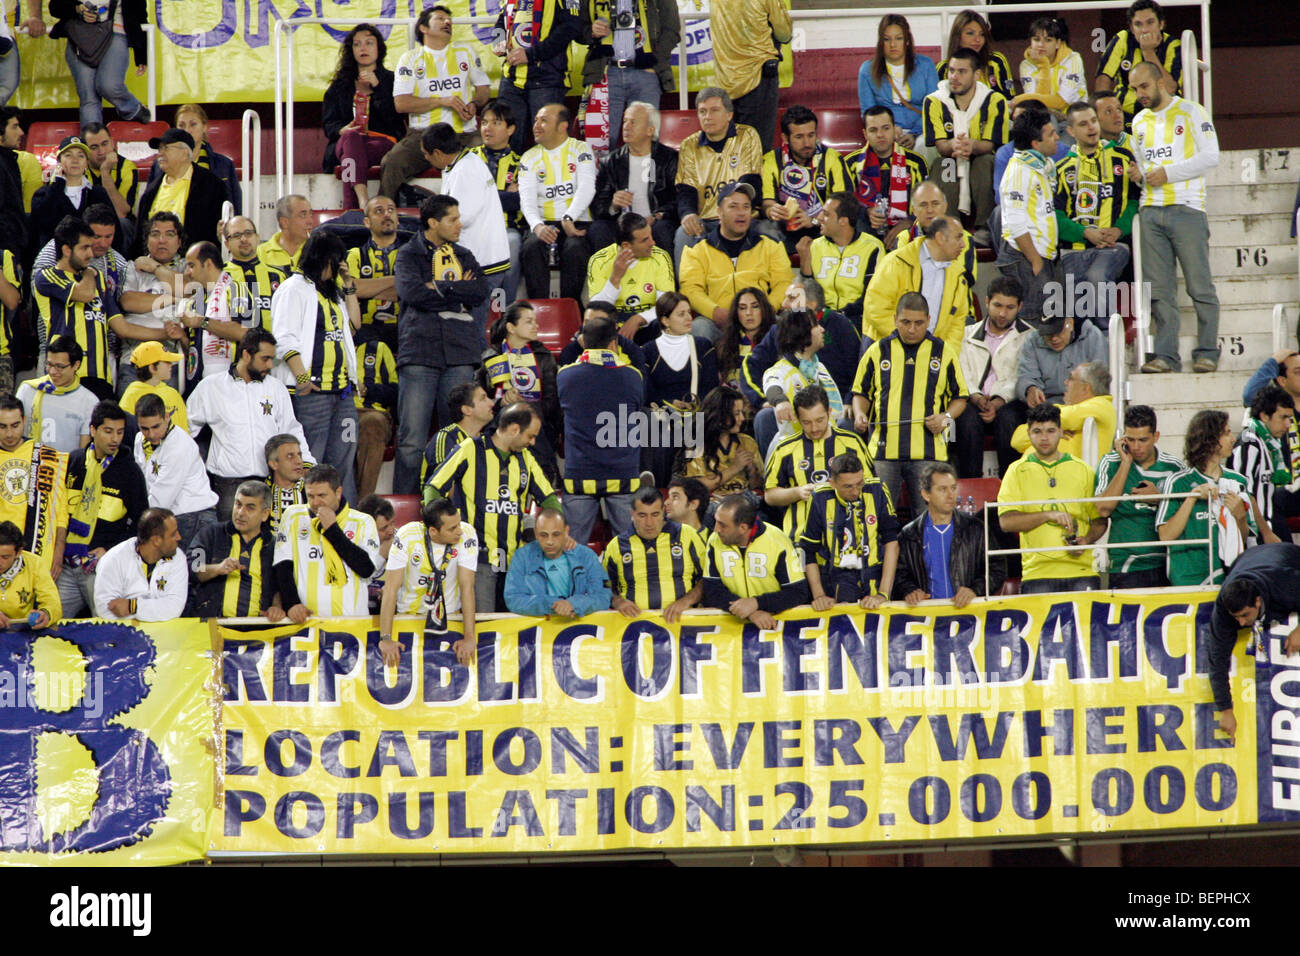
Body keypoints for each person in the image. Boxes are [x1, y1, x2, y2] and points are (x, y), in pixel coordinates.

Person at [392, 193, 488, 495]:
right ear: (433, 223)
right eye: (453, 219)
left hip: (460, 354)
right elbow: (412, 293)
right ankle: (405, 509)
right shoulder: (409, 255)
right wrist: (458, 289)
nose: (460, 224)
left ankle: (456, 504)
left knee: (460, 437)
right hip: (419, 353)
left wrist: (440, 286)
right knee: (411, 441)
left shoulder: (464, 254)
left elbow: (480, 291)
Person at [424, 402, 561, 612]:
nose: (533, 442)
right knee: (484, 624)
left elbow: (550, 500)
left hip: (515, 562)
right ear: (514, 429)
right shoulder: (471, 449)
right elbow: (434, 487)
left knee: (511, 628)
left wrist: (559, 529)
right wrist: (441, 525)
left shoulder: (526, 458)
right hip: (478, 558)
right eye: (530, 436)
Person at [1131, 60, 1221, 374]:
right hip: (1150, 212)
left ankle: (1208, 350)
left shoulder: (1192, 111)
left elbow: (1212, 156)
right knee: (1159, 290)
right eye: (1134, 88)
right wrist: (1139, 175)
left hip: (1187, 209)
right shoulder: (1139, 122)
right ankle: (1166, 356)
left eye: (1143, 86)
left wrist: (1168, 173)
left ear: (1160, 83)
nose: (1139, 93)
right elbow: (1144, 167)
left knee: (1199, 285)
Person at [34, 216, 182, 398]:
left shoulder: (99, 282)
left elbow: (122, 327)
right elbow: (85, 294)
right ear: (66, 250)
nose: (91, 253)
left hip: (100, 377)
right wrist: (90, 273)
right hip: (66, 376)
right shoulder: (47, 276)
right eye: (84, 248)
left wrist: (164, 334)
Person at [853, 293, 968, 513]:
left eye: (919, 323)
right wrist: (860, 414)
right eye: (906, 322)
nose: (912, 329)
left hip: (928, 452)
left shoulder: (944, 352)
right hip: (883, 453)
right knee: (877, 517)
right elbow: (861, 393)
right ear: (895, 319)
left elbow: (960, 397)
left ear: (929, 320)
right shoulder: (877, 351)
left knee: (930, 517)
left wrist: (946, 417)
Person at [271, 230, 362, 504]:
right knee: (311, 462)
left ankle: (344, 517)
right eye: (337, 261)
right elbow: (284, 338)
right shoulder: (293, 289)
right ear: (324, 259)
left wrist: (349, 286)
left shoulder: (332, 294)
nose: (339, 267)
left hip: (342, 393)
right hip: (314, 394)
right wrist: (302, 378)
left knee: (344, 459)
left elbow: (354, 327)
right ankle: (307, 519)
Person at [186, 328, 310, 520]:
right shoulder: (211, 386)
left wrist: (306, 461)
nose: (269, 365)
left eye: (271, 359)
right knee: (230, 542)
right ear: (246, 354)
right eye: (265, 358)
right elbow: (187, 430)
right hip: (228, 483)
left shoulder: (276, 388)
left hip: (268, 479)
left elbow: (291, 429)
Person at [557, 307, 644, 546]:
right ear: (614, 343)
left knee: (570, 550)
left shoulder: (565, 376)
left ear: (584, 341)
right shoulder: (633, 376)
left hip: (580, 474)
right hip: (622, 472)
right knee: (629, 550)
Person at [381, 6, 489, 201]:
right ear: (423, 28)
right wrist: (442, 101)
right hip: (423, 135)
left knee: (488, 158)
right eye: (440, 19)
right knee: (392, 162)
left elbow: (483, 91)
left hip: (463, 134)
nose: (447, 22)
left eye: (449, 20)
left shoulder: (466, 51)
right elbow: (401, 104)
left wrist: (474, 103)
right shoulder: (410, 58)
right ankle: (383, 218)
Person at [998, 403, 1106, 594]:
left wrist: (1087, 539)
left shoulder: (1083, 469)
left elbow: (1100, 520)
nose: (1044, 437)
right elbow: (1006, 522)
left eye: (1050, 430)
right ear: (1029, 434)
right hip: (1037, 574)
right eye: (1037, 431)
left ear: (1061, 432)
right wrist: (1048, 515)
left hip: (1082, 572)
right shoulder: (1016, 471)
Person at [1054, 100, 1139, 329]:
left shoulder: (1123, 157)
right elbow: (1056, 217)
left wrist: (1119, 229)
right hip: (1074, 250)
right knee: (1075, 306)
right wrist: (1085, 234)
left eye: (1093, 121)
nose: (1091, 128)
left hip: (1114, 245)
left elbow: (1135, 202)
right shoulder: (1061, 168)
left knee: (1096, 278)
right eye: (1083, 124)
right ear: (1071, 131)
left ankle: (1108, 343)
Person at [60, 399, 146, 618]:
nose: (115, 438)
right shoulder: (74, 461)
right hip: (67, 565)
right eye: (108, 431)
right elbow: (57, 513)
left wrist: (108, 548)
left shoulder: (130, 472)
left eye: (120, 432)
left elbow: (141, 525)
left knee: (108, 627)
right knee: (52, 622)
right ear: (92, 430)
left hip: (101, 568)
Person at [1207, 543, 1300, 744]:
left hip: (1286, 556)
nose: (1240, 623)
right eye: (1236, 617)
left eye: (1244, 615)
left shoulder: (1284, 582)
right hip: (1246, 560)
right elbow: (1217, 661)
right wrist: (1225, 709)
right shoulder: (1224, 609)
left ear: (1257, 602)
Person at [743, 275, 859, 437]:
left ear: (812, 304)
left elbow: (859, 370)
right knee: (765, 417)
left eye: (792, 298)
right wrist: (769, 401)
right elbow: (762, 374)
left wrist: (850, 400)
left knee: (845, 421)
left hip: (834, 413)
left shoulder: (840, 326)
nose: (784, 304)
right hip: (792, 413)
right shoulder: (779, 339)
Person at [1158, 410, 1260, 587]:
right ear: (1209, 439)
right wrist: (1192, 498)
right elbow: (1166, 536)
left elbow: (1244, 539)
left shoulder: (1238, 481)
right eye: (1226, 432)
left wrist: (1240, 516)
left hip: (1228, 577)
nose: (1232, 439)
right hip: (1188, 577)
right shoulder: (1178, 482)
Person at [680, 182, 792, 343]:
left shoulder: (771, 245)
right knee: (699, 328)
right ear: (719, 212)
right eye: (733, 207)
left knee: (789, 324)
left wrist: (766, 309)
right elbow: (690, 289)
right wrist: (715, 312)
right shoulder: (697, 250)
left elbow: (783, 283)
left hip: (761, 319)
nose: (742, 213)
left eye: (746, 207)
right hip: (718, 323)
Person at [379, 497, 479, 667]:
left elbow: (467, 587)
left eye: (459, 524)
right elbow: (390, 589)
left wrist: (470, 637)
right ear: (433, 531)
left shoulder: (467, 534)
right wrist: (386, 638)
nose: (459, 531)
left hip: (450, 618)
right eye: (452, 528)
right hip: (409, 618)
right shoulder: (406, 536)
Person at [423, 123, 510, 319]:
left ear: (437, 152)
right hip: (481, 258)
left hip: (482, 262)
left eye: (426, 154)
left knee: (471, 327)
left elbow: (461, 218)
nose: (425, 158)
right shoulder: (461, 164)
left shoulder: (465, 170)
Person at [273, 463, 381, 620]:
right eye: (310, 496)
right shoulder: (293, 516)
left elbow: (366, 569)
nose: (315, 503)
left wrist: (332, 530)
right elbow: (282, 565)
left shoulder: (362, 521)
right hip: (307, 623)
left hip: (352, 622)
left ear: (338, 492)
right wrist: (291, 603)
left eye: (322, 496)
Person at [1094, 404, 1185, 589]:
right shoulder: (1111, 462)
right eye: (1131, 439)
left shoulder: (1174, 467)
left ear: (1156, 436)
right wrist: (1125, 464)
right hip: (1125, 565)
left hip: (1167, 562)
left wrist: (1160, 499)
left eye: (1143, 440)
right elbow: (1103, 509)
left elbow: (1185, 513)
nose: (1136, 447)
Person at [673, 87, 763, 270]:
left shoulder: (747, 135)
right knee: (683, 233)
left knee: (768, 232)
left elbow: (750, 181)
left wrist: (730, 214)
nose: (707, 117)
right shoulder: (689, 145)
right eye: (702, 112)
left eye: (714, 110)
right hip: (705, 221)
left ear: (729, 114)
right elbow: (686, 190)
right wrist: (688, 214)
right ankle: (684, 296)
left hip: (741, 216)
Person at [923, 48, 1010, 237]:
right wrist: (953, 146)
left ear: (977, 74)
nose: (954, 77)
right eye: (951, 71)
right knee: (942, 163)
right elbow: (941, 146)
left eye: (961, 71)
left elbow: (990, 144)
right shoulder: (934, 101)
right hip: (952, 161)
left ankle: (984, 228)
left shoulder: (995, 101)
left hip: (980, 165)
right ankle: (949, 226)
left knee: (985, 160)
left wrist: (972, 145)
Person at [764, 384, 870, 538]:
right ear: (797, 418)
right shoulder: (784, 449)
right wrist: (798, 492)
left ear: (829, 412)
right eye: (806, 422)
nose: (814, 428)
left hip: (849, 535)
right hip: (800, 537)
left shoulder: (852, 443)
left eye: (820, 420)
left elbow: (870, 484)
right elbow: (770, 496)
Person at [517, 103, 596, 301]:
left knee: (575, 249)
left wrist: (569, 217)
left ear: (562, 126)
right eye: (536, 120)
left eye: (544, 120)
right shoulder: (529, 157)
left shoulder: (581, 149)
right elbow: (527, 200)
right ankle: (540, 309)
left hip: (576, 220)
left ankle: (571, 307)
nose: (536, 125)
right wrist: (537, 227)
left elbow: (587, 188)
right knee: (531, 247)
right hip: (544, 223)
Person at [954, 276, 1031, 478]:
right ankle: (971, 488)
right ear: (987, 302)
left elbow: (1021, 376)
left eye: (1010, 307)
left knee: (1008, 419)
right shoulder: (966, 334)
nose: (1002, 313)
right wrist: (977, 397)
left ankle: (1010, 486)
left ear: (1020, 306)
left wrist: (997, 402)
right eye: (997, 305)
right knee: (966, 418)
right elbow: (962, 372)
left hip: (1009, 401)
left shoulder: (1029, 337)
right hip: (973, 399)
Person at [896, 461, 1003, 606]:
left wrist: (974, 590)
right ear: (926, 495)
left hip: (968, 614)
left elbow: (997, 568)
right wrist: (910, 590)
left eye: (953, 488)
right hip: (927, 617)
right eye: (942, 489)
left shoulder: (976, 528)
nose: (950, 495)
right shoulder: (909, 534)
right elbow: (900, 575)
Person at [800, 452, 899, 609]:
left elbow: (892, 542)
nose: (855, 491)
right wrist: (819, 595)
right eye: (848, 486)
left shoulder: (877, 489)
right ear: (832, 483)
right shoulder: (820, 498)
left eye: (859, 483)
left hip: (875, 576)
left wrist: (883, 593)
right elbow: (808, 550)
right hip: (837, 579)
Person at [580, 0, 679, 152]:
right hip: (605, 73)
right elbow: (576, 27)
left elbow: (672, 29)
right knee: (601, 142)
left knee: (646, 140)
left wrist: (654, 61)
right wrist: (590, 31)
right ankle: (603, 176)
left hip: (646, 75)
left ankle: (647, 176)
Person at [861, 215, 973, 350]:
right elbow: (876, 309)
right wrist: (911, 340)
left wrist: (941, 352)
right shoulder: (896, 262)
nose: (963, 244)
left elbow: (957, 323)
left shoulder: (958, 276)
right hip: (886, 351)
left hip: (931, 356)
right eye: (958, 237)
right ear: (940, 238)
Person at [323, 22, 403, 210]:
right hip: (347, 140)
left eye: (369, 43)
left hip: (381, 142)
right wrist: (342, 130)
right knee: (351, 139)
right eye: (357, 44)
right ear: (351, 51)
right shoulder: (340, 85)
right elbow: (329, 124)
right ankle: (363, 199)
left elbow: (395, 118)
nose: (363, 48)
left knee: (349, 157)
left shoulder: (392, 80)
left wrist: (378, 87)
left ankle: (353, 210)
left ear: (379, 48)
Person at [642, 291, 717, 486]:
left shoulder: (704, 346)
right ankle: (658, 486)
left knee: (697, 422)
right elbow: (647, 392)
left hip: (698, 411)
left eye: (689, 313)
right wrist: (668, 404)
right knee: (657, 423)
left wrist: (693, 406)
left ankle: (694, 485)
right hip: (664, 413)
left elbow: (710, 387)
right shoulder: (647, 351)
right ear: (665, 320)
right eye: (681, 314)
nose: (688, 318)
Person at [702, 493, 810, 627]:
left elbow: (797, 593)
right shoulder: (714, 541)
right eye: (716, 521)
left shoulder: (778, 541)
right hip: (731, 628)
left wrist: (756, 603)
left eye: (722, 525)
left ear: (743, 528)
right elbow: (711, 590)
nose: (716, 529)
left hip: (773, 625)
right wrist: (749, 611)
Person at [478, 304, 560, 480]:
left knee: (533, 429)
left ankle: (546, 482)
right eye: (529, 322)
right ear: (511, 328)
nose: (536, 326)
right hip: (500, 426)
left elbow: (552, 402)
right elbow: (480, 401)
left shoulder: (543, 356)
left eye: (536, 322)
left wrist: (527, 408)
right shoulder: (492, 357)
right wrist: (502, 402)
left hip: (539, 426)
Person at [604, 486, 706, 621]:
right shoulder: (617, 545)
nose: (649, 523)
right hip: (634, 626)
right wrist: (618, 602)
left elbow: (708, 578)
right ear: (631, 514)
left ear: (663, 511)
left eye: (655, 514)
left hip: (682, 623)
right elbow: (603, 586)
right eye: (642, 515)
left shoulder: (687, 535)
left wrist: (685, 601)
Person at [758, 105, 851, 254]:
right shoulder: (771, 160)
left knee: (847, 224)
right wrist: (771, 210)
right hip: (786, 228)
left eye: (811, 135)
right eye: (799, 137)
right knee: (762, 228)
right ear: (785, 138)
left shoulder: (832, 158)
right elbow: (767, 202)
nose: (807, 143)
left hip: (822, 227)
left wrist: (814, 220)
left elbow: (843, 206)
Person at [491, 0, 581, 154]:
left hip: (547, 78)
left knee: (547, 140)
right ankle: (508, 177)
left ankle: (547, 178)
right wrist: (498, 39)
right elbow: (502, 20)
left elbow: (570, 28)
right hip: (511, 77)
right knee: (505, 138)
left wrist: (531, 54)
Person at [588, 103, 679, 255]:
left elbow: (678, 199)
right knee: (598, 229)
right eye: (625, 121)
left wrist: (657, 216)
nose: (626, 126)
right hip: (623, 224)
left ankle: (666, 277)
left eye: (633, 122)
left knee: (662, 230)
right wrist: (613, 205)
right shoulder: (611, 161)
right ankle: (606, 278)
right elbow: (597, 206)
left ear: (650, 130)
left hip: (656, 222)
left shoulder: (669, 158)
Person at [997, 106, 1061, 320]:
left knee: (1043, 323)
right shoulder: (1019, 171)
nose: (1057, 137)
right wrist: (1036, 262)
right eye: (1051, 134)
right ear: (1035, 144)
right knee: (1031, 325)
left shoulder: (1039, 167)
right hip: (1023, 258)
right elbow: (1016, 224)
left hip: (1037, 256)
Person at [186, 480, 283, 619]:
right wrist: (217, 569)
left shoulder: (274, 546)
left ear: (265, 514)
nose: (240, 513)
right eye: (238, 504)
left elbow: (279, 585)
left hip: (258, 632)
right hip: (213, 629)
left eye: (250, 508)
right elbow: (192, 567)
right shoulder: (210, 534)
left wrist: (277, 606)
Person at [134, 392, 218, 549]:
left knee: (193, 571)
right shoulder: (139, 440)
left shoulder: (179, 446)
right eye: (144, 428)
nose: (151, 434)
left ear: (166, 417)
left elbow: (161, 501)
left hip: (195, 518)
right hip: (169, 516)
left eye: (156, 426)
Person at [50, 0, 150, 128]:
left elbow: (139, 14)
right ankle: (92, 143)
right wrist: (78, 9)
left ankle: (134, 109)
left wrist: (142, 54)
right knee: (88, 97)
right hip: (79, 38)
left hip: (116, 33)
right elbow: (55, 8)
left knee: (109, 85)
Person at [760, 303, 844, 452]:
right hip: (793, 450)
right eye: (815, 325)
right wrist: (781, 402)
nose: (822, 330)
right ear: (801, 332)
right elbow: (772, 386)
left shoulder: (819, 367)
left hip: (828, 445)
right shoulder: (781, 369)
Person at [708, 0, 790, 153]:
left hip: (726, 80)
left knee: (730, 153)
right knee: (757, 149)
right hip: (758, 76)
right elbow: (784, 33)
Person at [0, 395, 67, 579]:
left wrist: (59, 551)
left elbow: (60, 512)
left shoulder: (48, 458)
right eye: (2, 427)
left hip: (36, 555)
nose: (10, 434)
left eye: (15, 425)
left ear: (24, 421)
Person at [116, 211, 185, 388]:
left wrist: (154, 268)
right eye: (155, 234)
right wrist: (174, 296)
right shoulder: (132, 267)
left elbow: (190, 288)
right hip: (133, 360)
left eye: (169, 234)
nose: (162, 240)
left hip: (170, 361)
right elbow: (129, 302)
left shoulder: (186, 266)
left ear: (179, 242)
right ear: (147, 240)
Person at [794, 191, 883, 328]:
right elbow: (805, 293)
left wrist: (838, 316)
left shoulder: (873, 247)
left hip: (856, 320)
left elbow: (871, 297)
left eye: (826, 214)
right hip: (819, 320)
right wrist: (804, 261)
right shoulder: (814, 246)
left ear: (843, 221)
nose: (819, 217)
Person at [135, 129, 228, 255]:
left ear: (185, 153)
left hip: (190, 267)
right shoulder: (151, 191)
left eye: (166, 148)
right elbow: (139, 237)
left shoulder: (212, 186)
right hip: (152, 266)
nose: (160, 153)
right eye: (159, 149)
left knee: (176, 276)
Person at [845, 107, 928, 249]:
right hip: (865, 228)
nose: (880, 135)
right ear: (865, 134)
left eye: (885, 128)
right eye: (873, 130)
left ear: (894, 129)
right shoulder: (851, 164)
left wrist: (908, 222)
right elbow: (843, 206)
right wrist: (866, 212)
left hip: (906, 229)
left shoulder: (916, 162)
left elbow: (926, 204)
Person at [503, 508, 609, 618]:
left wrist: (574, 604)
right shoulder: (522, 557)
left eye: (556, 534)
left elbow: (603, 596)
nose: (550, 541)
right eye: (543, 535)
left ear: (566, 531)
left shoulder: (586, 555)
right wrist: (553, 605)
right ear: (535, 533)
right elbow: (513, 599)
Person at [469, 99, 525, 304]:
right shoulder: (467, 160)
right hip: (470, 227)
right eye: (484, 122)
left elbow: (519, 202)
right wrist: (504, 195)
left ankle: (506, 307)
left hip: (507, 228)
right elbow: (466, 200)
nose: (487, 128)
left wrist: (485, 195)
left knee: (511, 242)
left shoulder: (522, 163)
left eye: (496, 123)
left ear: (510, 129)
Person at [586, 212, 677, 335]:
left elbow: (666, 306)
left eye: (651, 236)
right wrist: (615, 278)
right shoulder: (599, 261)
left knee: (667, 323)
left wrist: (638, 319)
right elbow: (596, 310)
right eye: (645, 240)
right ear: (626, 245)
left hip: (649, 321)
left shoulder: (660, 257)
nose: (652, 243)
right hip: (614, 325)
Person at [1010, 360, 1116, 466]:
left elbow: (1064, 419)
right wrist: (1055, 429)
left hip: (1069, 478)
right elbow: (1016, 441)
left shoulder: (1102, 406)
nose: (1065, 382)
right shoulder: (1063, 410)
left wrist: (1041, 429)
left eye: (1071, 378)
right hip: (1033, 474)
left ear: (1085, 388)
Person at [857, 15, 937, 151]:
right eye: (887, 39)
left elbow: (934, 106)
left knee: (925, 145)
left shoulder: (926, 65)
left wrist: (914, 133)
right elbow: (868, 112)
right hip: (885, 132)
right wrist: (889, 129)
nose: (893, 45)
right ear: (881, 42)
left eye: (898, 38)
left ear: (907, 41)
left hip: (922, 130)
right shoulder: (867, 70)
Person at [94, 508, 189, 622]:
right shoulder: (113, 559)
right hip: (123, 634)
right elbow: (105, 609)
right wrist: (156, 610)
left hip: (165, 633)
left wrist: (133, 606)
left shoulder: (177, 557)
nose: (179, 537)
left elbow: (175, 607)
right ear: (156, 540)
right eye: (173, 534)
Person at [1244, 351, 1300, 541]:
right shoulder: (1276, 412)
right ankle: (1286, 558)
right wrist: (1273, 361)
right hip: (1288, 489)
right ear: (1282, 381)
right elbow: (1250, 396)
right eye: (1298, 372)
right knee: (1271, 498)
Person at [1095, 0, 1182, 121]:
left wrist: (1148, 52)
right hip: (1126, 116)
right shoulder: (1122, 39)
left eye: (1150, 22)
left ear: (1161, 24)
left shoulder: (1173, 45)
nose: (1144, 30)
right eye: (1138, 24)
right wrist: (1105, 114)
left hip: (1164, 116)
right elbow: (1103, 80)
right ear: (1131, 27)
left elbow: (1169, 89)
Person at [676, 383, 760, 506]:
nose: (742, 418)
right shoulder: (697, 445)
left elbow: (757, 486)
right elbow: (696, 487)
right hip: (712, 504)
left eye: (742, 412)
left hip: (745, 502)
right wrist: (735, 468)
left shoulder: (747, 442)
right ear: (720, 415)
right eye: (736, 413)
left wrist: (752, 471)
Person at [150, 103, 242, 216]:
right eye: (181, 125)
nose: (187, 130)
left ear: (204, 127)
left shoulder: (224, 165)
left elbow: (234, 207)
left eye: (193, 124)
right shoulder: (160, 165)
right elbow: (149, 202)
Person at [1231, 384, 1295, 545]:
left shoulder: (1269, 444)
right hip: (1256, 536)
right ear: (1265, 416)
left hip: (1268, 527)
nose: (1288, 425)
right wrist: (1266, 533)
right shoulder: (1249, 444)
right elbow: (1245, 494)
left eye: (1290, 418)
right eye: (1283, 417)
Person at [30, 135, 112, 255]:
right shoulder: (43, 194)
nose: (75, 160)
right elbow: (40, 227)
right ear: (59, 161)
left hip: (92, 258)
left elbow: (113, 229)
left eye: (81, 155)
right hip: (54, 259)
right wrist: (58, 185)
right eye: (68, 155)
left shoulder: (98, 194)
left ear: (87, 163)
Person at [16, 334, 97, 454]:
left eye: (60, 366)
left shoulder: (89, 401)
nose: (53, 371)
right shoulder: (27, 390)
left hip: (66, 469)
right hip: (26, 465)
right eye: (49, 364)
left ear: (76, 365)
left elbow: (82, 453)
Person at [1016, 313, 1108, 409]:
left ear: (1070, 323)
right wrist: (1030, 388)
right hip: (1046, 406)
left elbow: (1100, 381)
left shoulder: (1092, 336)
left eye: (1058, 332)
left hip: (1084, 404)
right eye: (1048, 334)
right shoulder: (1033, 340)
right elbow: (1026, 375)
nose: (1054, 339)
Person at [344, 196, 400, 349]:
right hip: (364, 329)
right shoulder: (355, 254)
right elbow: (353, 288)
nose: (387, 214)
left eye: (391, 210)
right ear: (367, 222)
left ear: (398, 219)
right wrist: (398, 280)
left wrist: (367, 291)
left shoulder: (410, 254)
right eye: (379, 211)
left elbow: (412, 290)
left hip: (403, 328)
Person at [353, 337, 397, 501]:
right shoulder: (321, 345)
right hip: (334, 412)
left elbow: (395, 392)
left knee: (373, 422)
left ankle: (363, 502)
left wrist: (366, 389)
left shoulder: (377, 348)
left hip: (370, 412)